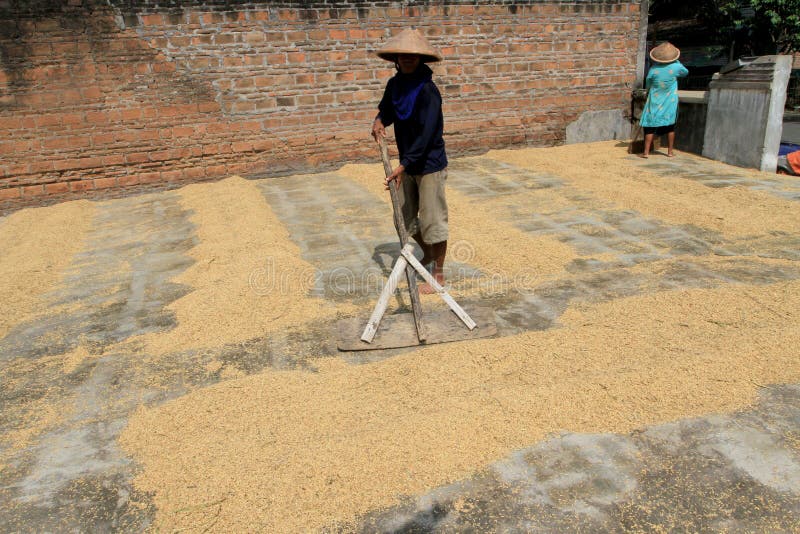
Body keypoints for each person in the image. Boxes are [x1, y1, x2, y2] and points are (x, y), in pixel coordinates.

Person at [371, 28, 449, 294]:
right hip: (407, 161)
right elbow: (387, 110)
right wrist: (379, 121)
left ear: (420, 59)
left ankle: (438, 273)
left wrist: (402, 166)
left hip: (428, 163)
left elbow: (427, 134)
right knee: (402, 218)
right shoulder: (395, 85)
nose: (407, 59)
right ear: (396, 57)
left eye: (413, 56)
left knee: (432, 221)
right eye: (403, 55)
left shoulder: (428, 91)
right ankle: (427, 253)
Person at [640, 42, 689, 158]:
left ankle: (646, 152)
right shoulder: (676, 67)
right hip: (669, 101)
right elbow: (685, 72)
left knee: (650, 126)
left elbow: (648, 83)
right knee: (670, 126)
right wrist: (678, 63)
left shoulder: (653, 69)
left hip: (654, 100)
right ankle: (670, 152)